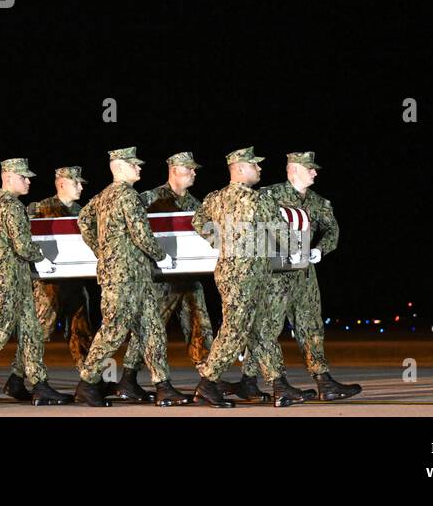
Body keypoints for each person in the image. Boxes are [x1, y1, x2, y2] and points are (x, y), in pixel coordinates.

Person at [189, 147, 308, 407]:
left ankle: (279, 384)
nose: (260, 169)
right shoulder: (258, 200)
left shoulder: (215, 198)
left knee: (261, 330)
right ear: (241, 168)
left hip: (229, 272)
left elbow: (198, 221)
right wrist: (299, 252)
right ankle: (207, 384)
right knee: (235, 330)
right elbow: (282, 234)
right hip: (251, 275)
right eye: (255, 165)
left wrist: (219, 240)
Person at [241, 151, 361, 401]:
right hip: (274, 274)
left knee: (311, 326)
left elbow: (332, 230)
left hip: (304, 274)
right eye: (310, 169)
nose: (315, 173)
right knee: (267, 328)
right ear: (294, 170)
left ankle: (323, 381)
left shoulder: (318, 202)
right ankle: (253, 381)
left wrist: (320, 249)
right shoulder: (268, 196)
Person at [74, 147, 188, 407]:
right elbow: (141, 234)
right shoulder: (127, 195)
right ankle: (87, 382)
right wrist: (161, 255)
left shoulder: (102, 197)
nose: (139, 168)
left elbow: (83, 219)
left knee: (152, 329)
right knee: (114, 329)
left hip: (134, 275)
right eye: (134, 165)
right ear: (119, 167)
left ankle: (163, 385)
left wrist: (101, 249)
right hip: (124, 277)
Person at [0, 158, 72, 406]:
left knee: (31, 330)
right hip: (6, 281)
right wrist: (40, 257)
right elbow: (23, 245)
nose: (28, 181)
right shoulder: (11, 206)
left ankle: (40, 385)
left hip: (12, 278)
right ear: (8, 177)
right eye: (24, 177)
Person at [118, 151, 214, 398]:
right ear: (173, 170)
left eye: (194, 169)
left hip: (189, 277)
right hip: (160, 279)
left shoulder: (195, 204)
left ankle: (209, 378)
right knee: (150, 329)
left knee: (200, 325)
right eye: (188, 169)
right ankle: (128, 378)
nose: (193, 173)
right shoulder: (149, 198)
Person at [5, 165, 94, 401]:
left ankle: (90, 380)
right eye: (77, 182)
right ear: (63, 183)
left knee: (81, 330)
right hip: (48, 284)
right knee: (39, 332)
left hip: (74, 281)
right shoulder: (39, 209)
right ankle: (16, 378)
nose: (81, 186)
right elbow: (20, 239)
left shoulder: (81, 212)